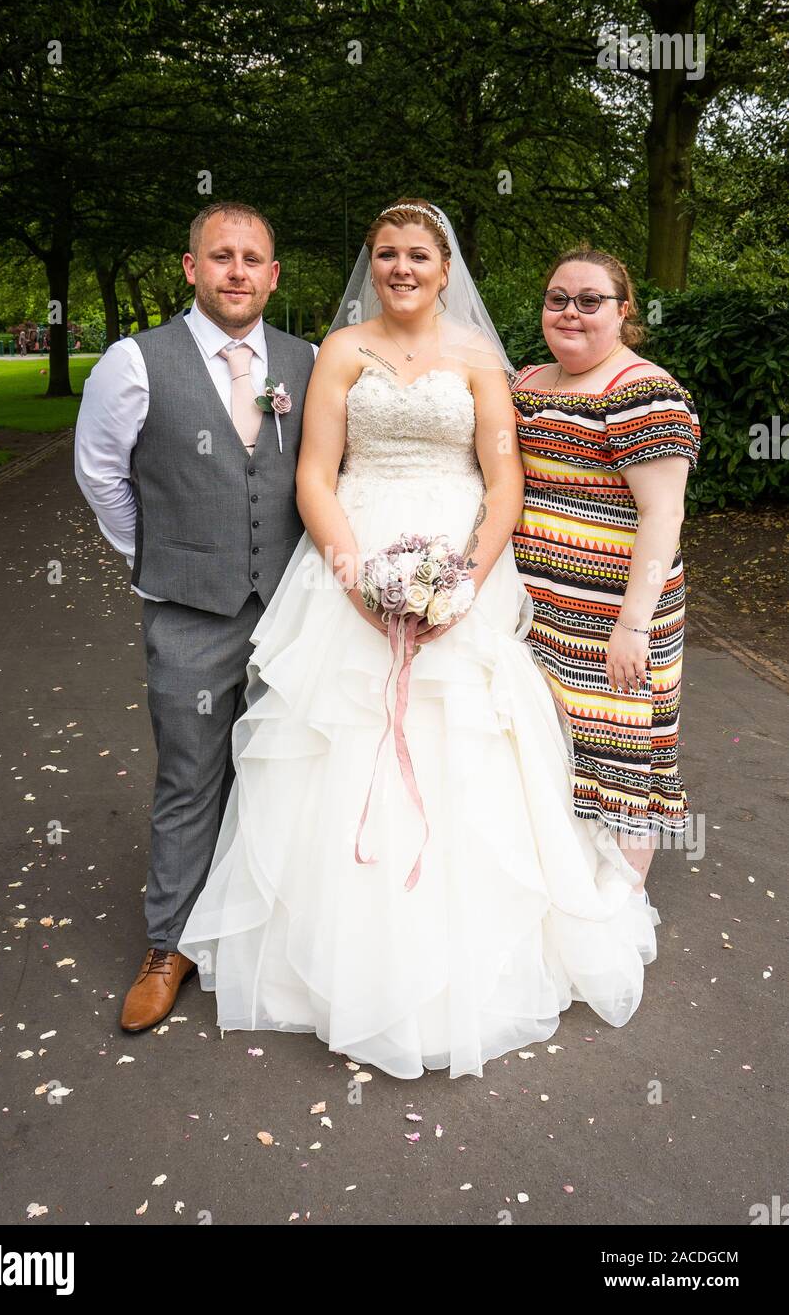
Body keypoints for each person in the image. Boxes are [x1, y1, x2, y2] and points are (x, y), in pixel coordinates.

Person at [176, 198, 660, 1081]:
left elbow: (504, 479)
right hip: (352, 558)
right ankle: (331, 962)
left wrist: (467, 579)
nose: (402, 268)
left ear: (446, 270)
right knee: (336, 743)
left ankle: (470, 957)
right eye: (388, 253)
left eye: (419, 256)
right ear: (374, 264)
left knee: (469, 743)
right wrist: (355, 573)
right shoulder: (340, 354)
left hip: (459, 556)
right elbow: (317, 473)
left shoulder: (482, 360)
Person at [74, 201, 317, 1031]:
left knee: (285, 770)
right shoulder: (134, 362)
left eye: (253, 258)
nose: (238, 271)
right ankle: (169, 942)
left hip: (292, 608)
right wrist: (163, 558)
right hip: (188, 610)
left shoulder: (306, 361)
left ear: (274, 276)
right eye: (221, 256)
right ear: (192, 267)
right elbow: (102, 475)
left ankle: (266, 936)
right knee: (189, 775)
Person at [511, 248, 700, 893]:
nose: (571, 312)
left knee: (622, 761)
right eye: (558, 298)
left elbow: (662, 516)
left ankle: (613, 917)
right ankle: (556, 907)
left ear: (623, 312)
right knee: (550, 754)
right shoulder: (528, 382)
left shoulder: (646, 392)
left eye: (590, 301)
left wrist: (633, 626)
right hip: (533, 613)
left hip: (614, 619)